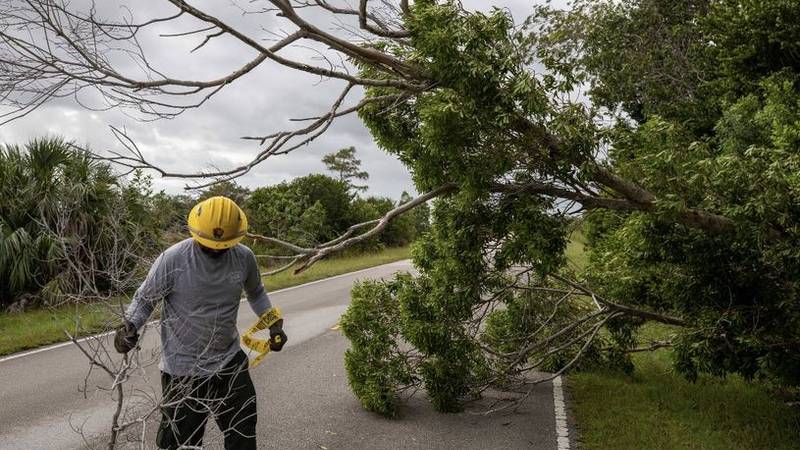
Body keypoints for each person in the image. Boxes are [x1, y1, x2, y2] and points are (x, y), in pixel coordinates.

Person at [113, 196, 287, 450]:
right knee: (181, 444)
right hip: (183, 371)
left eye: (223, 245)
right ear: (195, 232)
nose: (216, 249)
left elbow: (256, 292)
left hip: (228, 362)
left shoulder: (244, 257)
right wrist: (128, 328)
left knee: (243, 433)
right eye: (209, 245)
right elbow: (144, 299)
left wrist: (274, 324)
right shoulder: (172, 259)